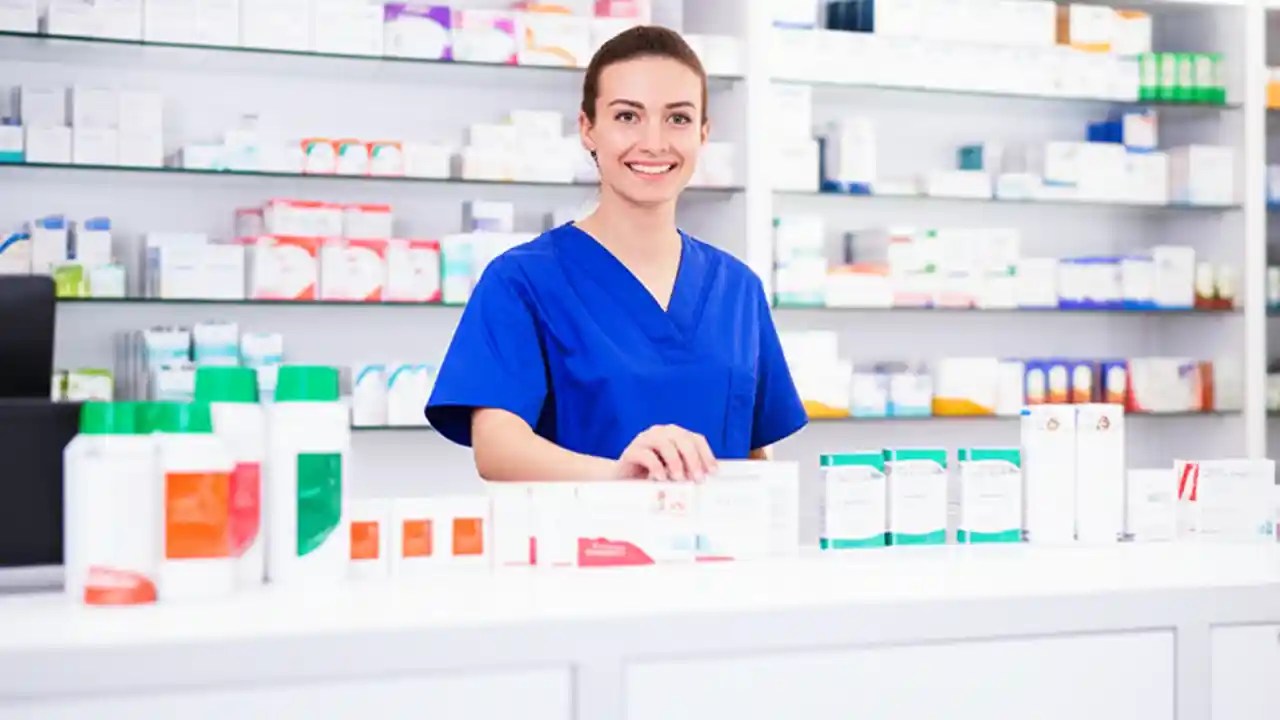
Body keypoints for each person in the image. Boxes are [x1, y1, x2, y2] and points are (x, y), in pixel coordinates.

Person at [425, 25, 807, 483]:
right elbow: (498, 449)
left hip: (714, 551)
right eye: (628, 116)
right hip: (579, 547)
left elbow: (752, 454)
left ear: (703, 134)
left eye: (678, 119)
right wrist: (623, 479)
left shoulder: (737, 288)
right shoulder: (521, 281)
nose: (654, 142)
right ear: (588, 129)